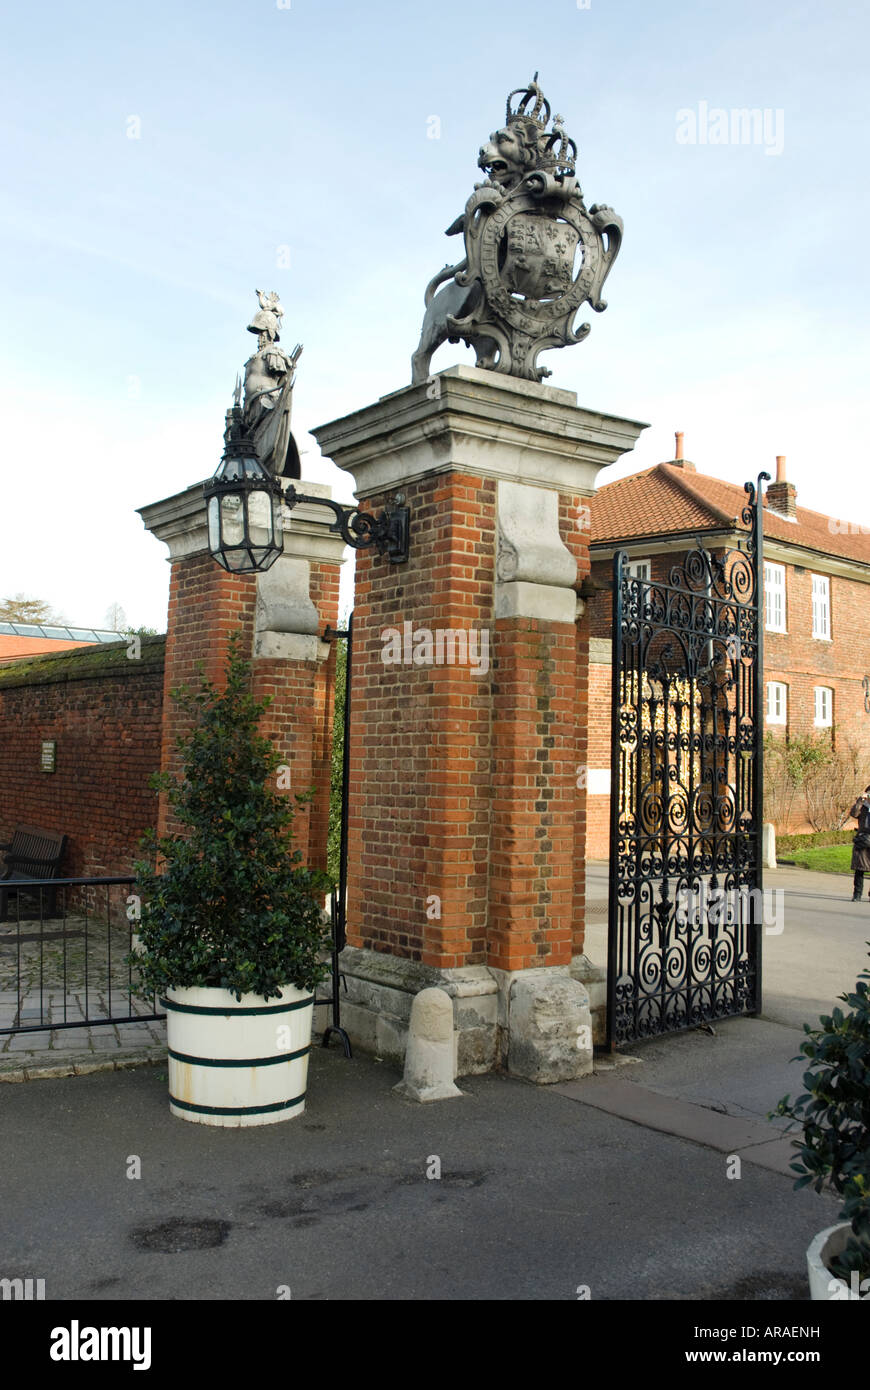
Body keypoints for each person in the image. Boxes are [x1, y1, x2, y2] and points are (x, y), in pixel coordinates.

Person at [848, 785, 870, 900]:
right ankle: (857, 894)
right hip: (862, 838)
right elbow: (854, 814)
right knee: (859, 868)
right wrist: (860, 801)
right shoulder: (862, 806)